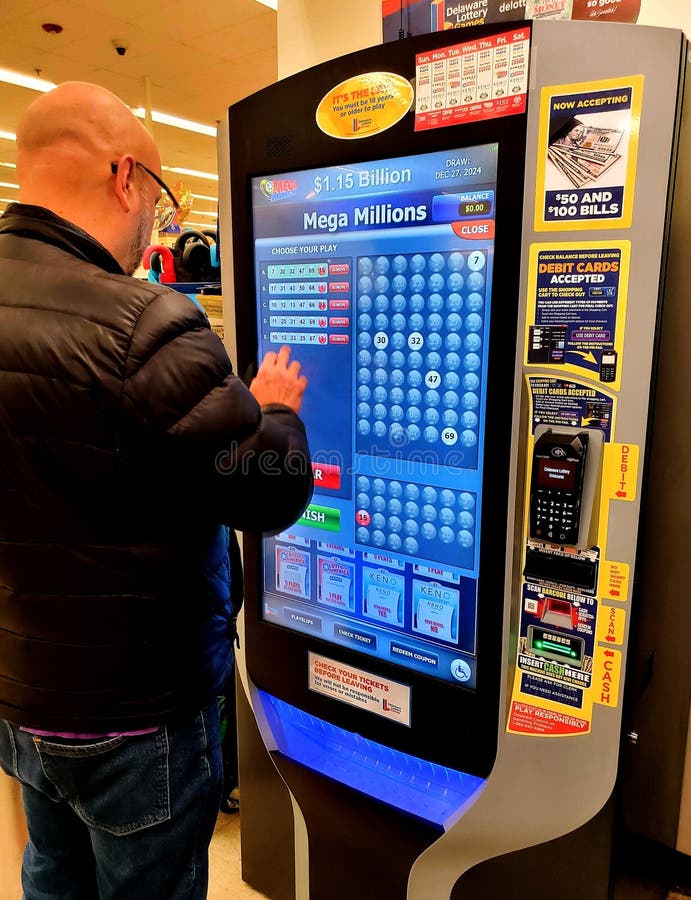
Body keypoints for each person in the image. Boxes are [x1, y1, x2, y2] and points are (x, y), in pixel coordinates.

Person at [0, 82, 313, 900]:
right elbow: (265, 495)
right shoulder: (145, 323)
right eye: (161, 197)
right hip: (137, 718)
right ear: (125, 177)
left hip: (21, 692)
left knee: (53, 874)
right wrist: (276, 412)